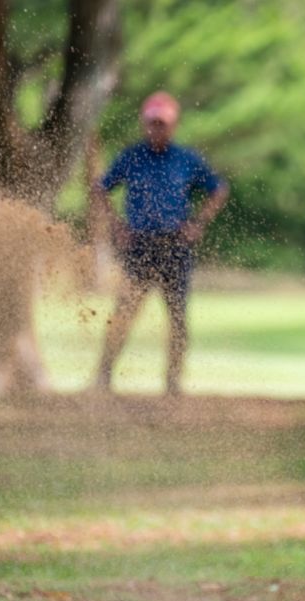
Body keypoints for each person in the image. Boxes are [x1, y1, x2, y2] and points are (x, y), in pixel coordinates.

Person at [92, 91, 229, 395]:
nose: (157, 129)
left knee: (178, 318)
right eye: (153, 123)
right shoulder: (131, 157)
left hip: (175, 246)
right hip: (139, 246)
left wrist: (198, 223)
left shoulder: (186, 159)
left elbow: (218, 189)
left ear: (173, 125)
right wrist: (116, 226)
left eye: (163, 123)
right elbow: (100, 188)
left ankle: (173, 383)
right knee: (123, 315)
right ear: (145, 124)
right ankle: (102, 377)